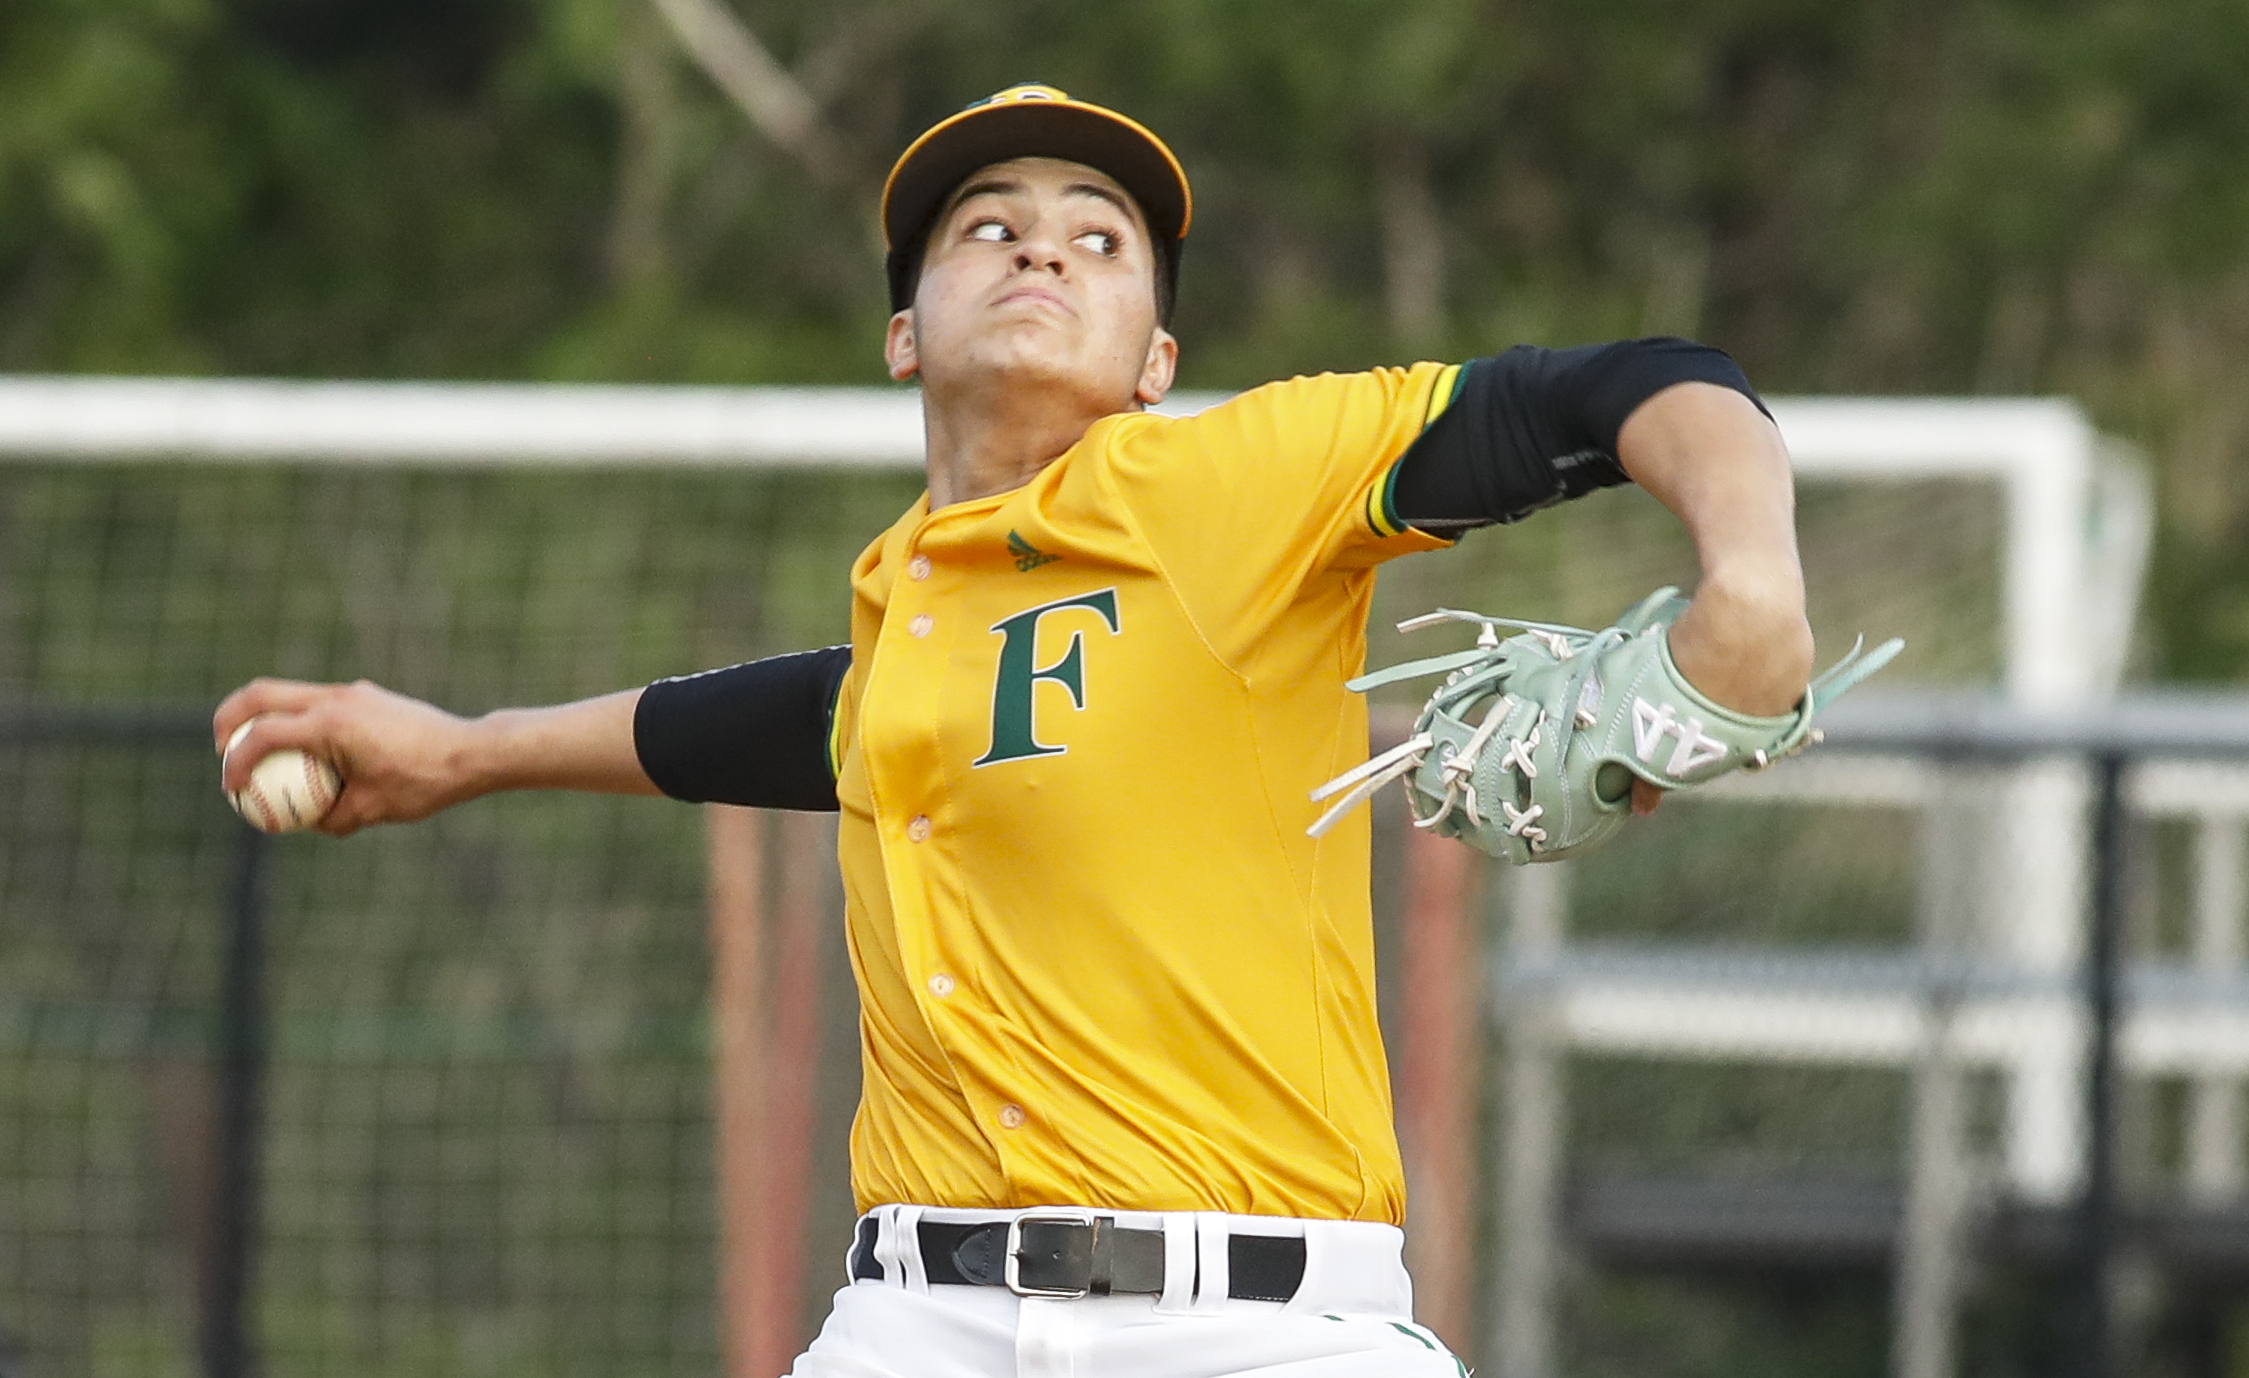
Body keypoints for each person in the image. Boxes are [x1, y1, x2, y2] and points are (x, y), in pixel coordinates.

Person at [218, 84, 1814, 1377]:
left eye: (1097, 238)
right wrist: (467, 749)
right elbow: (790, 726)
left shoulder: (1225, 488)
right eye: (986, 227)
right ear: (903, 333)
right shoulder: (908, 612)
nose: (1039, 247)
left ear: (1155, 363)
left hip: (1254, 1325)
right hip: (914, 1319)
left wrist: (1748, 579)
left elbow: (1636, 382)